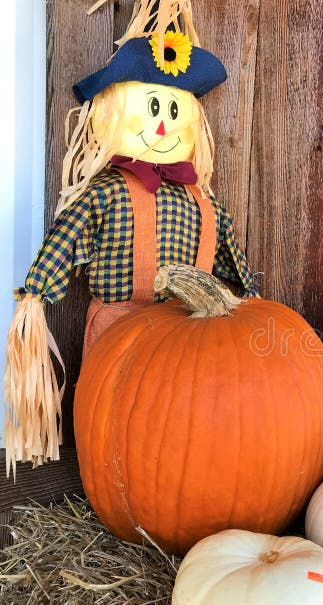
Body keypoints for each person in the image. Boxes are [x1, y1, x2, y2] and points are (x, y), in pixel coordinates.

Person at [5, 6, 256, 475]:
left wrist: (254, 304)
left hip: (193, 335)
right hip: (119, 332)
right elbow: (66, 237)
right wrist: (35, 296)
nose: (161, 125)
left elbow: (235, 261)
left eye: (173, 111)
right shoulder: (104, 195)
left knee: (187, 421)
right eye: (152, 108)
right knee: (117, 423)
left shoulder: (204, 203)